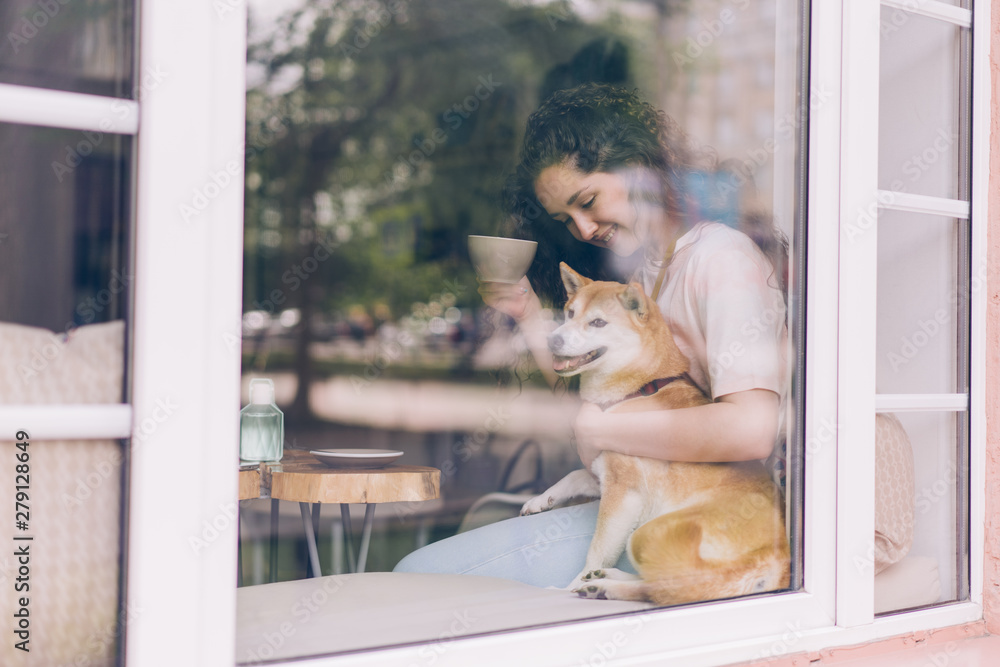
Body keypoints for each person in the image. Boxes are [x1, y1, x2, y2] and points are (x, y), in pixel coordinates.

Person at [394, 83, 788, 588]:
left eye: (588, 201)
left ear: (637, 167)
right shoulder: (648, 274)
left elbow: (751, 430)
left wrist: (603, 431)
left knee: (418, 574)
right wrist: (529, 313)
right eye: (566, 218)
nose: (581, 229)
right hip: (651, 498)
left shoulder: (720, 260)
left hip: (707, 520)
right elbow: (598, 386)